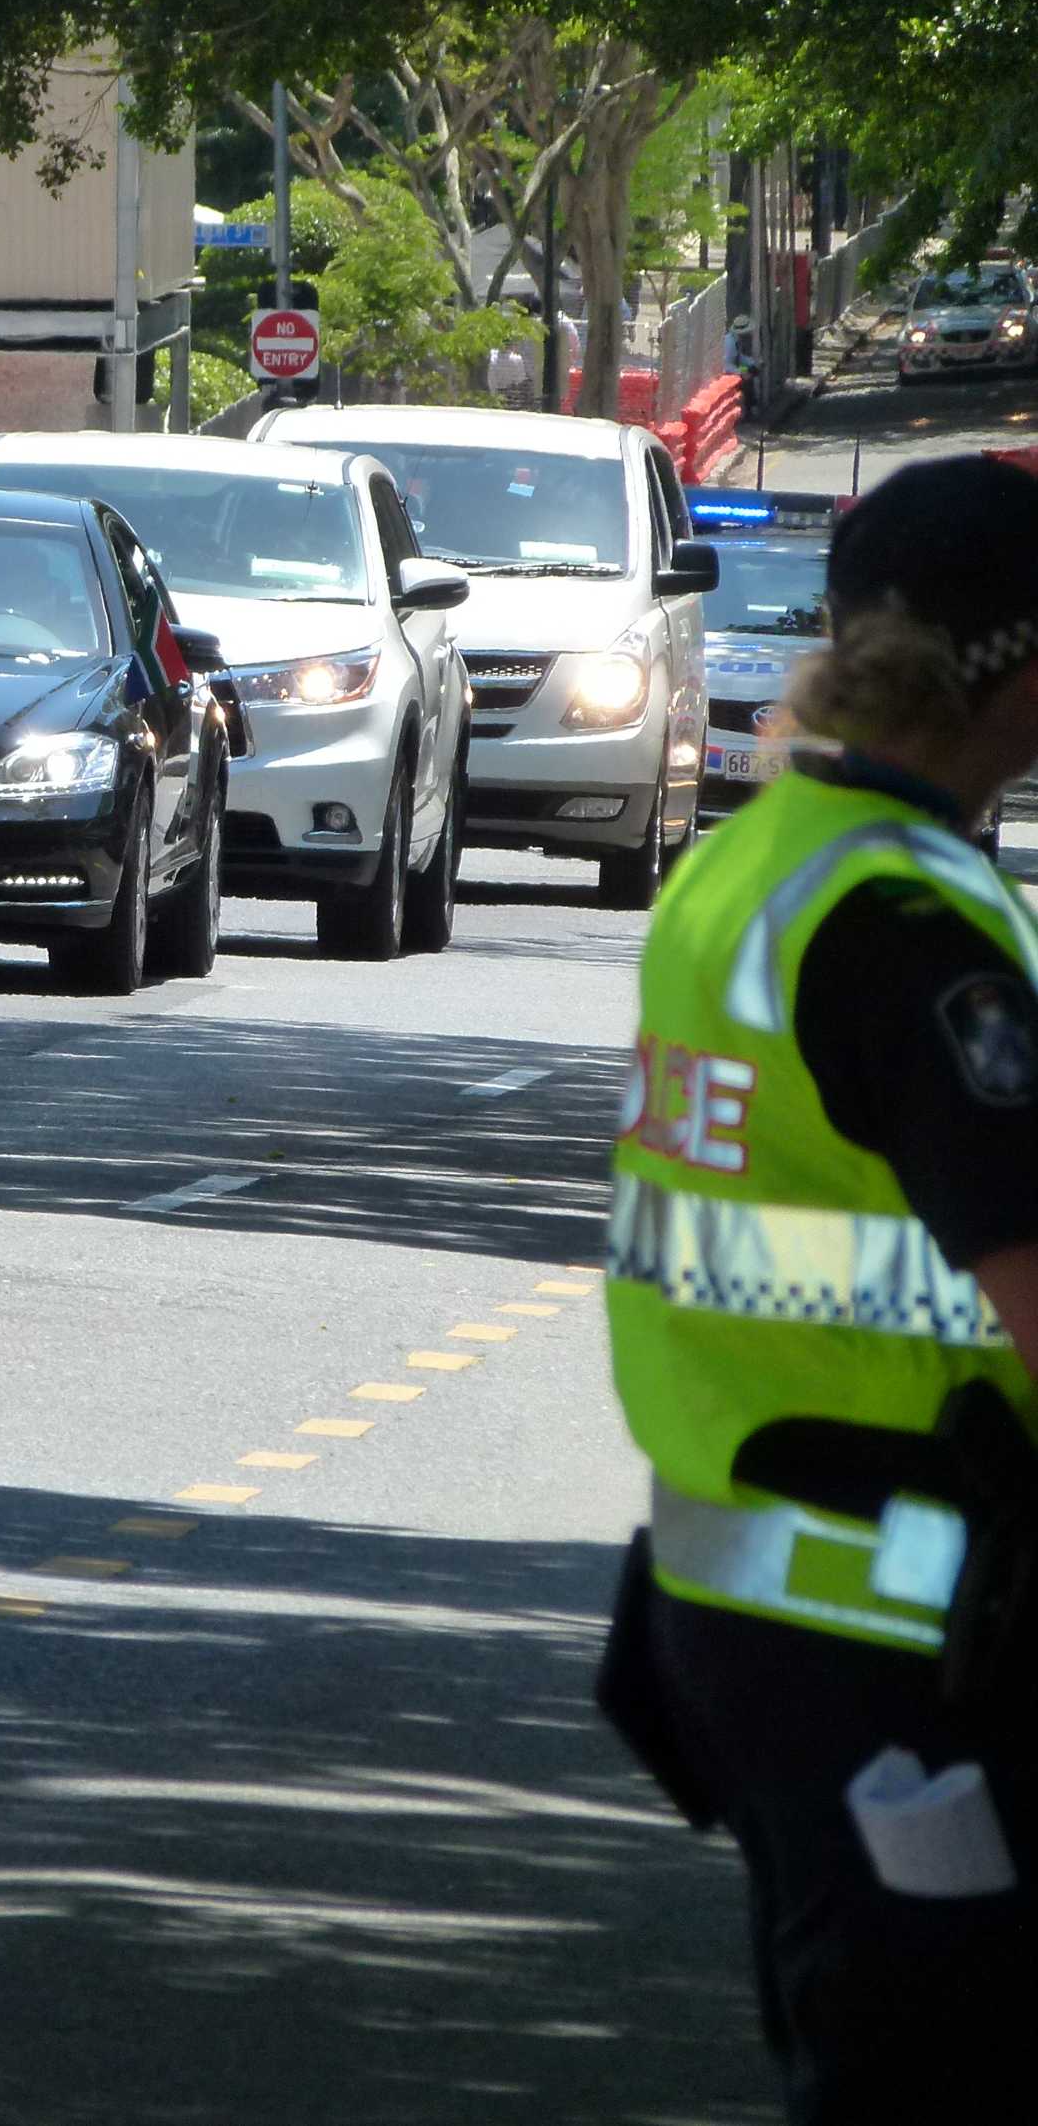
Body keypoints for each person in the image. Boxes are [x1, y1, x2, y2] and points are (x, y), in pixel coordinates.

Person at [596, 454, 1038, 2123]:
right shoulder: (904, 925)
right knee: (939, 2070)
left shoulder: (757, 861)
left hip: (757, 1596)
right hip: (897, 1614)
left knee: (875, 2052)